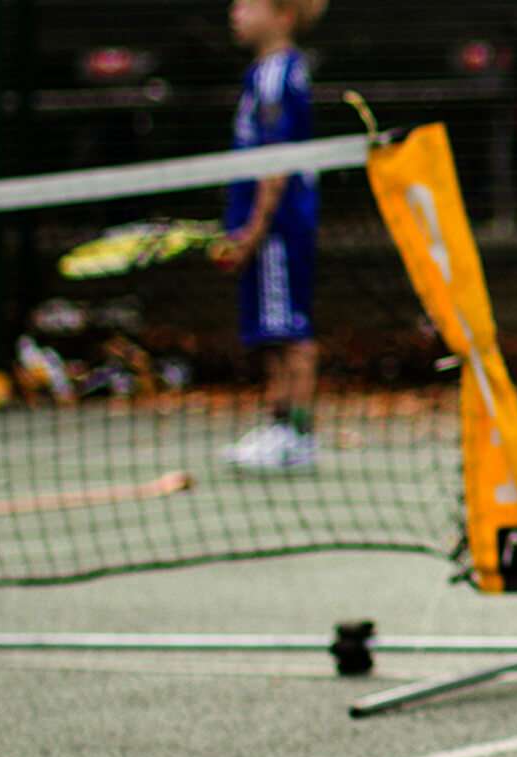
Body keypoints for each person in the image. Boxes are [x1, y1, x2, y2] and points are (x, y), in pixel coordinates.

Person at [217, 0, 326, 471]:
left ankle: (296, 435)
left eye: (247, 4)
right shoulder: (263, 73)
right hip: (268, 226)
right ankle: (279, 426)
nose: (235, 12)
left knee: (291, 332)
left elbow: (275, 162)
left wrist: (255, 229)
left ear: (281, 15)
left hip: (279, 228)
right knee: (272, 331)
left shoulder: (277, 75)